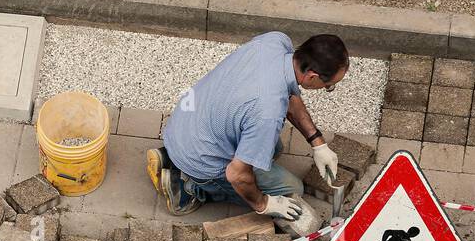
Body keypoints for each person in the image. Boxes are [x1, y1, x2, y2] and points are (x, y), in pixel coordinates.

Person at [147, 32, 349, 223]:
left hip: (184, 126)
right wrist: (263, 203)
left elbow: (288, 96)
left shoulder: (275, 42)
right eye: (329, 86)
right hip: (201, 158)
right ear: (312, 76)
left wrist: (317, 143)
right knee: (293, 188)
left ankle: (172, 157)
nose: (327, 88)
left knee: (273, 148)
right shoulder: (267, 113)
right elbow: (237, 175)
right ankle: (190, 187)